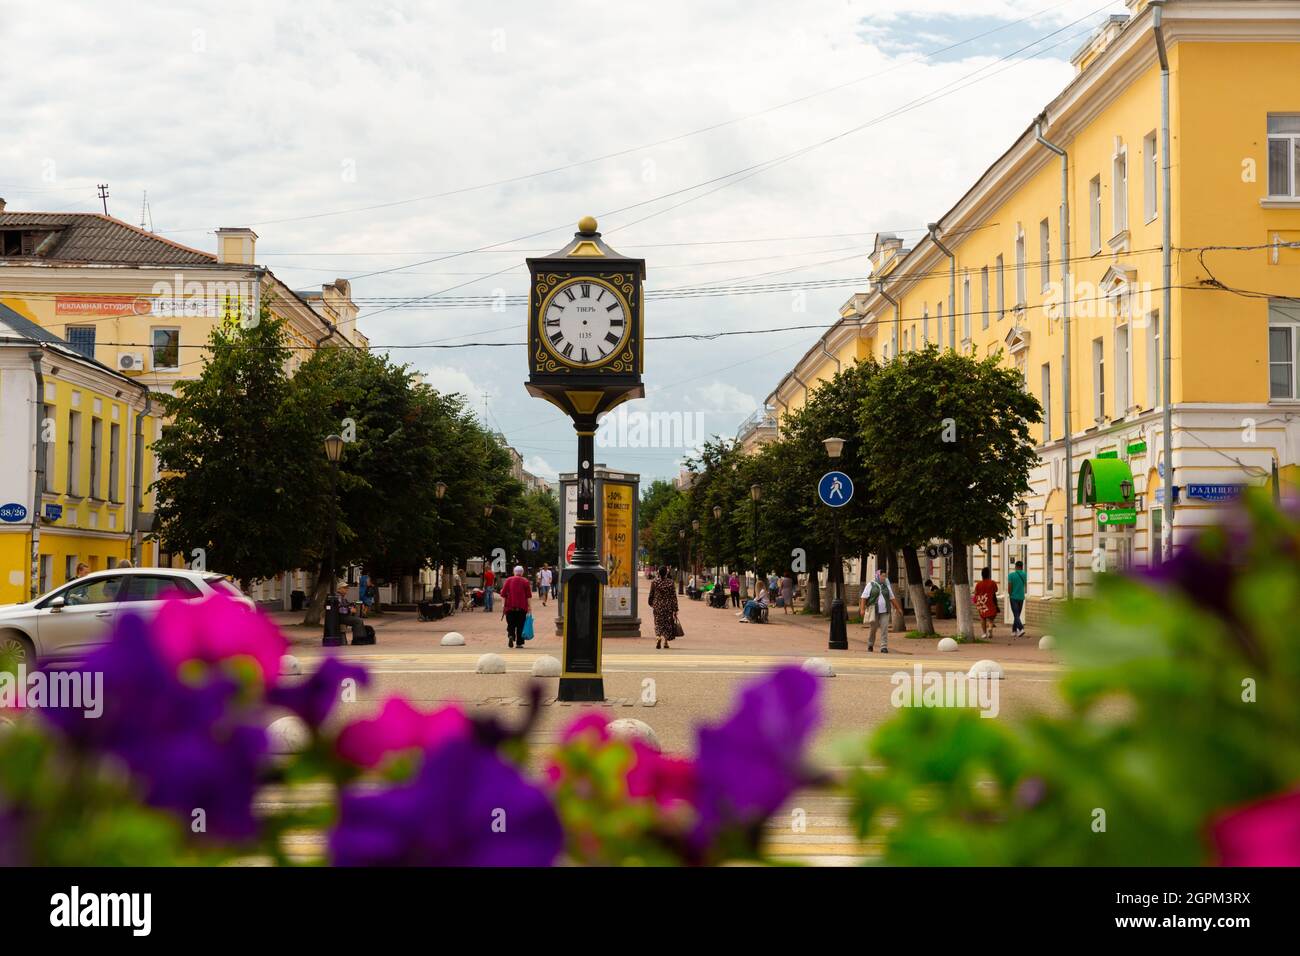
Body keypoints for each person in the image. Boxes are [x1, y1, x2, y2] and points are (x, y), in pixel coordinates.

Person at [860, 568, 904, 653]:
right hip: (874, 611)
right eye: (883, 576)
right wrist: (862, 609)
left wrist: (898, 608)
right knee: (873, 628)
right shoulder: (871, 584)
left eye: (885, 576)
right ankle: (870, 644)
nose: (884, 577)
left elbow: (892, 598)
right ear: (878, 575)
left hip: (885, 611)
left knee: (884, 628)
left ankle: (884, 647)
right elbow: (863, 597)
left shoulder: (886, 585)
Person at [648, 564, 679, 650]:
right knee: (667, 623)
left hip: (657, 605)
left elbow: (651, 594)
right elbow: (674, 597)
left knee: (658, 622)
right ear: (666, 573)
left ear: (658, 573)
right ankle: (665, 642)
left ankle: (658, 637)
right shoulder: (671, 582)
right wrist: (675, 609)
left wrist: (651, 603)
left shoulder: (654, 582)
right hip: (668, 606)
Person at [500, 565, 532, 649]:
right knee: (520, 625)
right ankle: (519, 643)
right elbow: (528, 596)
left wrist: (503, 605)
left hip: (510, 607)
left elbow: (503, 594)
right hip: (522, 607)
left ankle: (511, 635)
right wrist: (529, 607)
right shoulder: (525, 581)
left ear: (514, 572)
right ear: (522, 573)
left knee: (511, 624)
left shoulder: (508, 580)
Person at [973, 566, 1000, 639]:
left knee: (982, 618)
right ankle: (990, 627)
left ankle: (984, 633)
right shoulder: (992, 583)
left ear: (982, 575)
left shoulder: (978, 584)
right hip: (990, 601)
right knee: (991, 618)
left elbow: (976, 593)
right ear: (988, 574)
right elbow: (996, 590)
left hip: (982, 603)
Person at [1007, 560, 1028, 637]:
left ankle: (1021, 628)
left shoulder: (1011, 575)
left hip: (1013, 597)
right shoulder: (1025, 575)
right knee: (1017, 614)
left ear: (1015, 567)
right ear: (1022, 567)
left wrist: (1010, 594)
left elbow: (1009, 586)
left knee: (1016, 615)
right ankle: (1014, 630)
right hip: (1021, 597)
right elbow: (1025, 585)